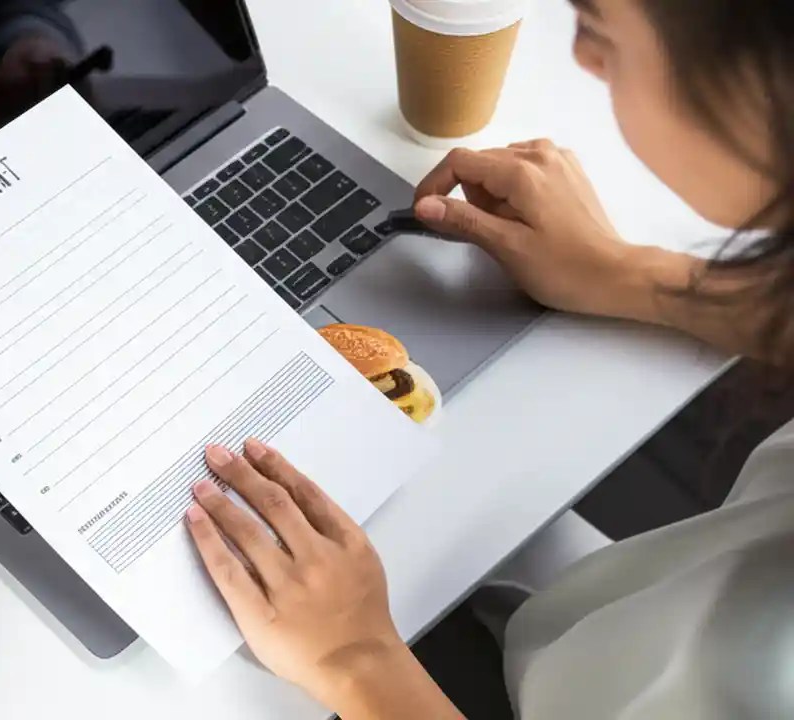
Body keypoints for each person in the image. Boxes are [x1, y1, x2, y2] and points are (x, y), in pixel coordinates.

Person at [186, 0, 794, 717]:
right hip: (595, 631)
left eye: (598, 28)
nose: (583, 60)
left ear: (765, 84)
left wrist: (356, 662)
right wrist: (631, 277)